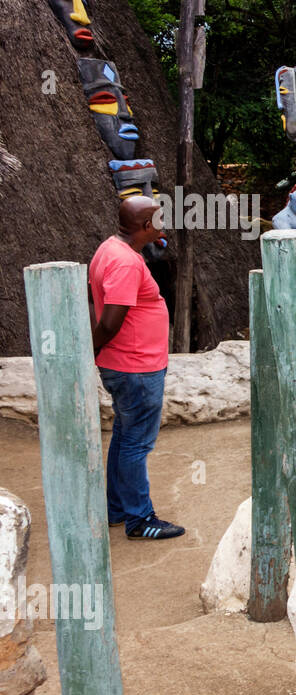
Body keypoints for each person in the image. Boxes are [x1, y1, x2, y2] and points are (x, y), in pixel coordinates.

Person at [89, 197, 185, 540]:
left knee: (125, 435)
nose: (163, 222)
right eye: (158, 218)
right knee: (136, 444)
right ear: (145, 226)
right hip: (135, 368)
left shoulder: (108, 249)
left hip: (127, 364)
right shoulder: (126, 263)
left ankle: (116, 509)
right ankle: (139, 518)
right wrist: (94, 345)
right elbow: (112, 319)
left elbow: (92, 298)